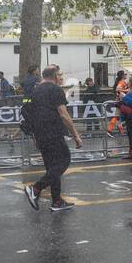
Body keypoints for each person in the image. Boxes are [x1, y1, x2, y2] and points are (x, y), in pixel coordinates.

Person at [23, 64, 83, 211]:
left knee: (52, 168)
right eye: (60, 75)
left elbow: (30, 115)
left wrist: (35, 137)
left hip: (40, 134)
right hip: (53, 132)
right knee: (64, 161)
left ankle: (57, 201)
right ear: (55, 76)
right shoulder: (55, 89)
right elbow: (64, 115)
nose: (62, 78)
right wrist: (76, 135)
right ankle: (36, 189)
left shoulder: (35, 91)